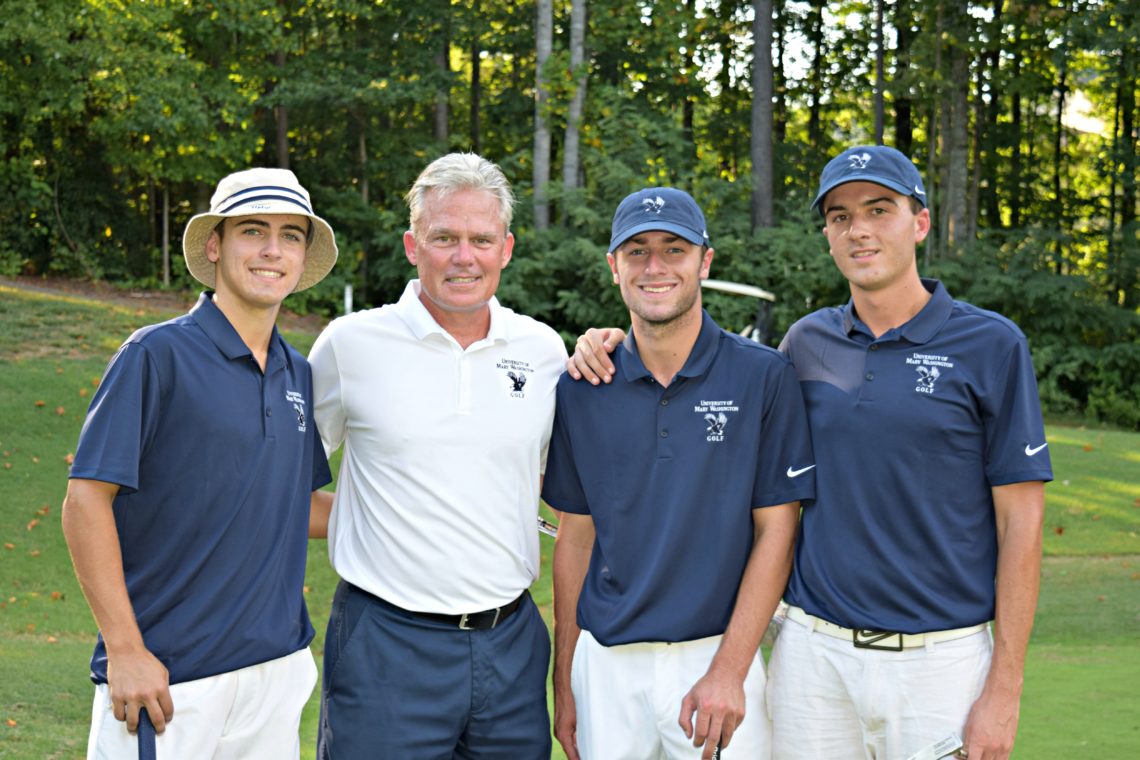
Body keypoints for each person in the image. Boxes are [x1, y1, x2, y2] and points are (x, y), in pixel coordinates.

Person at [568, 146, 1053, 760]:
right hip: (813, 658)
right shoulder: (805, 344)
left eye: (880, 209)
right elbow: (694, 366)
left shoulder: (991, 345)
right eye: (841, 216)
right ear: (827, 234)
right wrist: (609, 339)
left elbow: (1022, 521)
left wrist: (1005, 688)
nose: (860, 229)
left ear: (920, 221)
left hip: (942, 662)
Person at [62, 168, 338, 760]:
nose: (272, 249)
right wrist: (125, 650)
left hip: (273, 674)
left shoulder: (298, 372)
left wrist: (432, 511)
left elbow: (300, 505)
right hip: (169, 679)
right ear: (214, 246)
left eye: (291, 235)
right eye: (253, 231)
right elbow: (86, 500)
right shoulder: (156, 354)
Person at [308, 152, 567, 758]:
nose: (463, 257)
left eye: (481, 239)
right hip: (385, 643)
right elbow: (278, 485)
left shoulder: (545, 351)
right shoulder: (350, 345)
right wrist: (359, 521)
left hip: (511, 643)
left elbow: (568, 492)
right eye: (444, 238)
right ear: (411, 245)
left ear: (506, 248)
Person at [544, 187, 814, 760]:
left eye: (674, 249)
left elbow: (778, 531)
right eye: (637, 251)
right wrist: (564, 676)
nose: (656, 266)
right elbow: (575, 538)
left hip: (716, 659)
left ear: (705, 262)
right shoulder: (581, 384)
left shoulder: (763, 376)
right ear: (614, 266)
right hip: (607, 665)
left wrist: (729, 670)